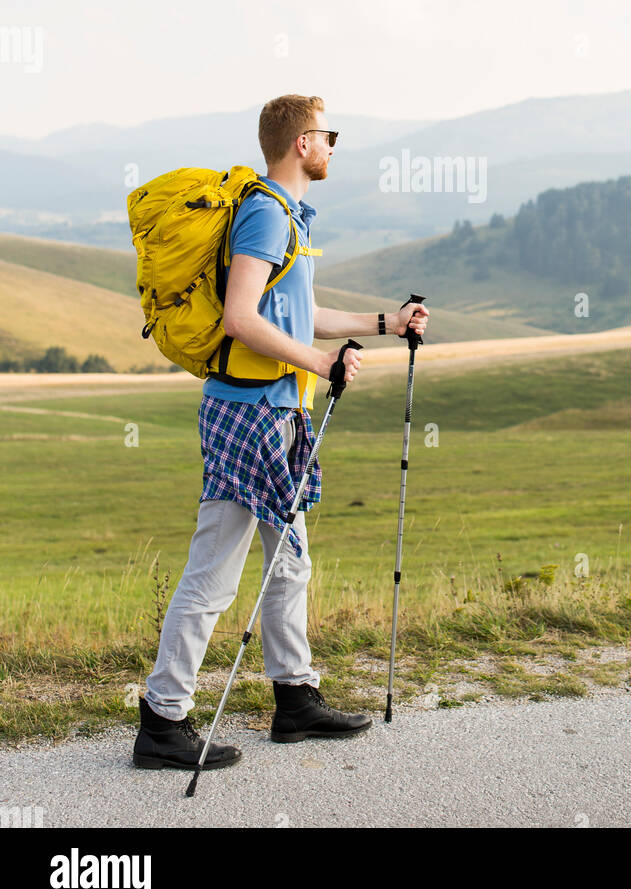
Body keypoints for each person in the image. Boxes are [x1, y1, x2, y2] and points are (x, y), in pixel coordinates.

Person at [133, 93, 429, 771]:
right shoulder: (266, 214)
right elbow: (242, 316)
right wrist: (323, 363)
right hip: (249, 412)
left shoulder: (284, 215)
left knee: (290, 562)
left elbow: (294, 312)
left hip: (277, 411)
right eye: (328, 135)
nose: (332, 146)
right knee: (214, 572)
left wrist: (385, 322)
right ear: (302, 143)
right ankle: (162, 720)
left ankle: (295, 700)